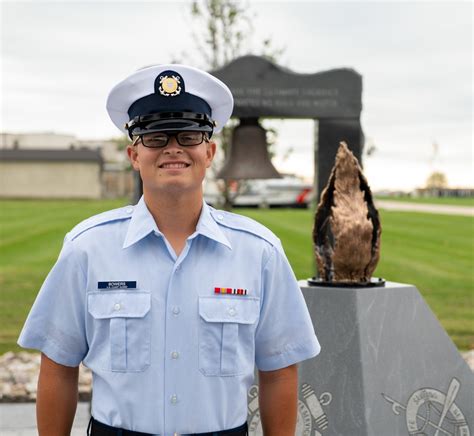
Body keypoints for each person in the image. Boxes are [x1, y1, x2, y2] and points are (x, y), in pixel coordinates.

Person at [18, 64, 321, 436]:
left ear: (209, 152)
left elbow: (279, 370)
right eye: (156, 137)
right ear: (134, 155)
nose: (174, 148)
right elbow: (58, 367)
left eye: (189, 136)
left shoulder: (259, 253)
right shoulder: (88, 249)